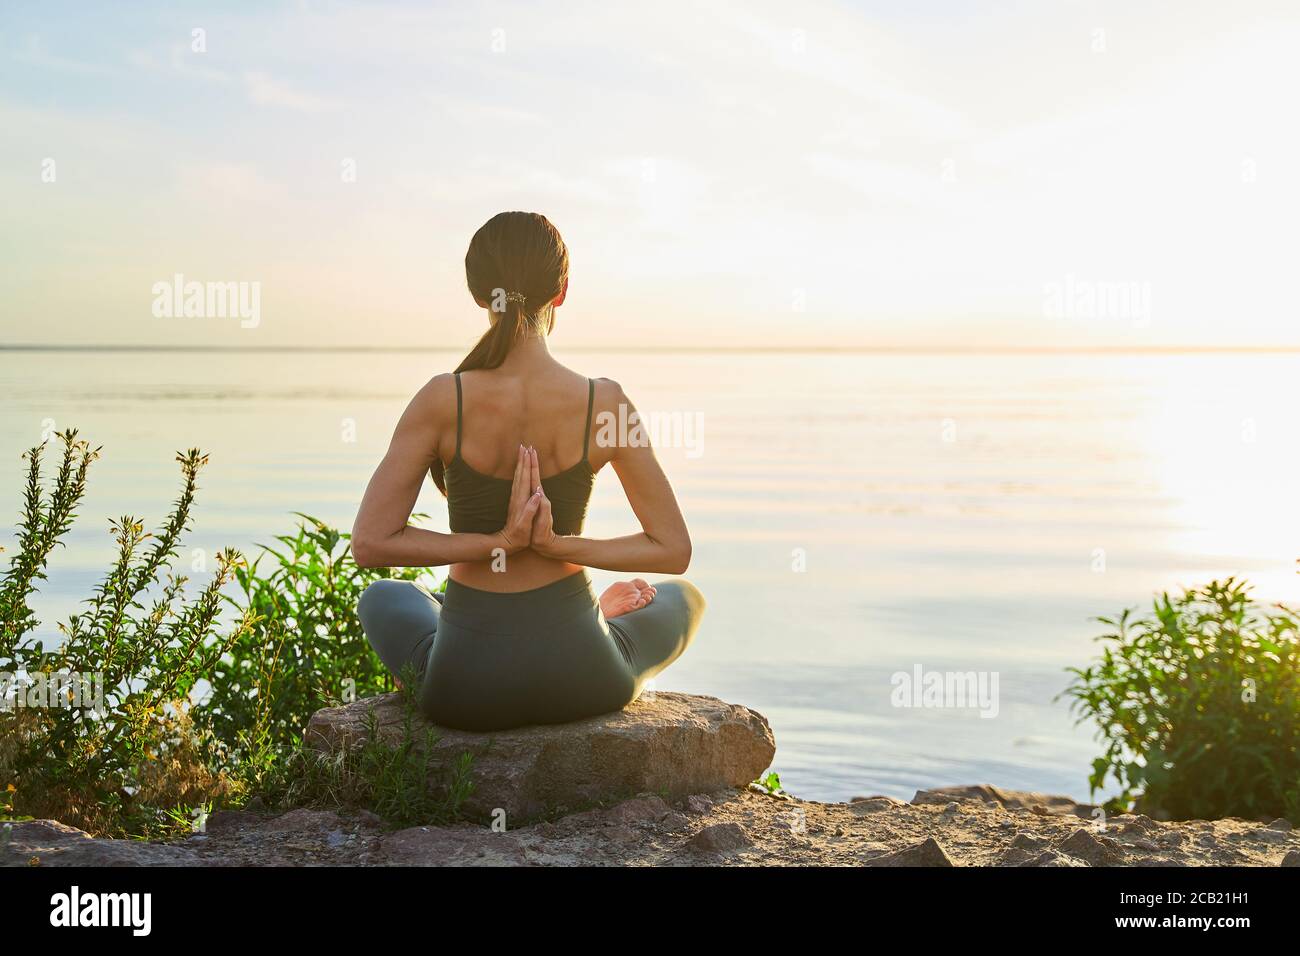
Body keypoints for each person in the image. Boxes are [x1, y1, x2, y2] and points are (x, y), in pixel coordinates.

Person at [350, 211, 705, 731]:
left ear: (477, 293)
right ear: (561, 291)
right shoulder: (602, 402)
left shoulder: (442, 399)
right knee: (683, 598)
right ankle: (601, 616)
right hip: (586, 679)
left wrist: (498, 542)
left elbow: (372, 543)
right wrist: (560, 547)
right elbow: (673, 552)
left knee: (384, 595)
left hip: (465, 692)